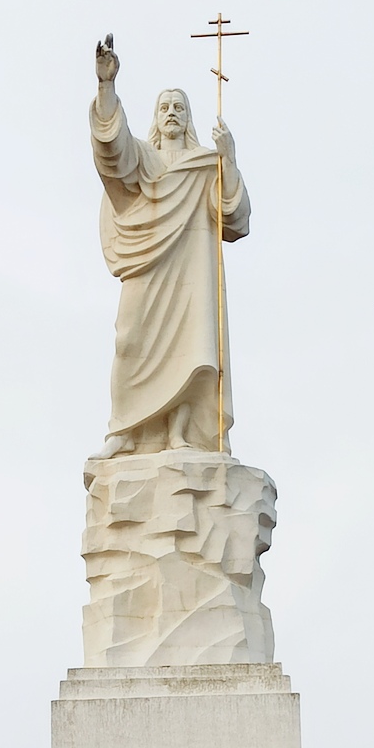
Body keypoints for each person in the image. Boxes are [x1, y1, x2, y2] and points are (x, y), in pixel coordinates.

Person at [90, 34, 251, 460]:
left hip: (191, 270)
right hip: (149, 261)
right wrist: (107, 89)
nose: (172, 113)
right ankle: (124, 429)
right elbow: (113, 154)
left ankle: (181, 433)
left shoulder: (204, 164)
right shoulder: (146, 159)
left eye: (179, 107)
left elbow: (235, 219)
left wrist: (228, 160)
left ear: (189, 118)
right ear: (156, 118)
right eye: (165, 107)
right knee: (129, 339)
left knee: (191, 345)